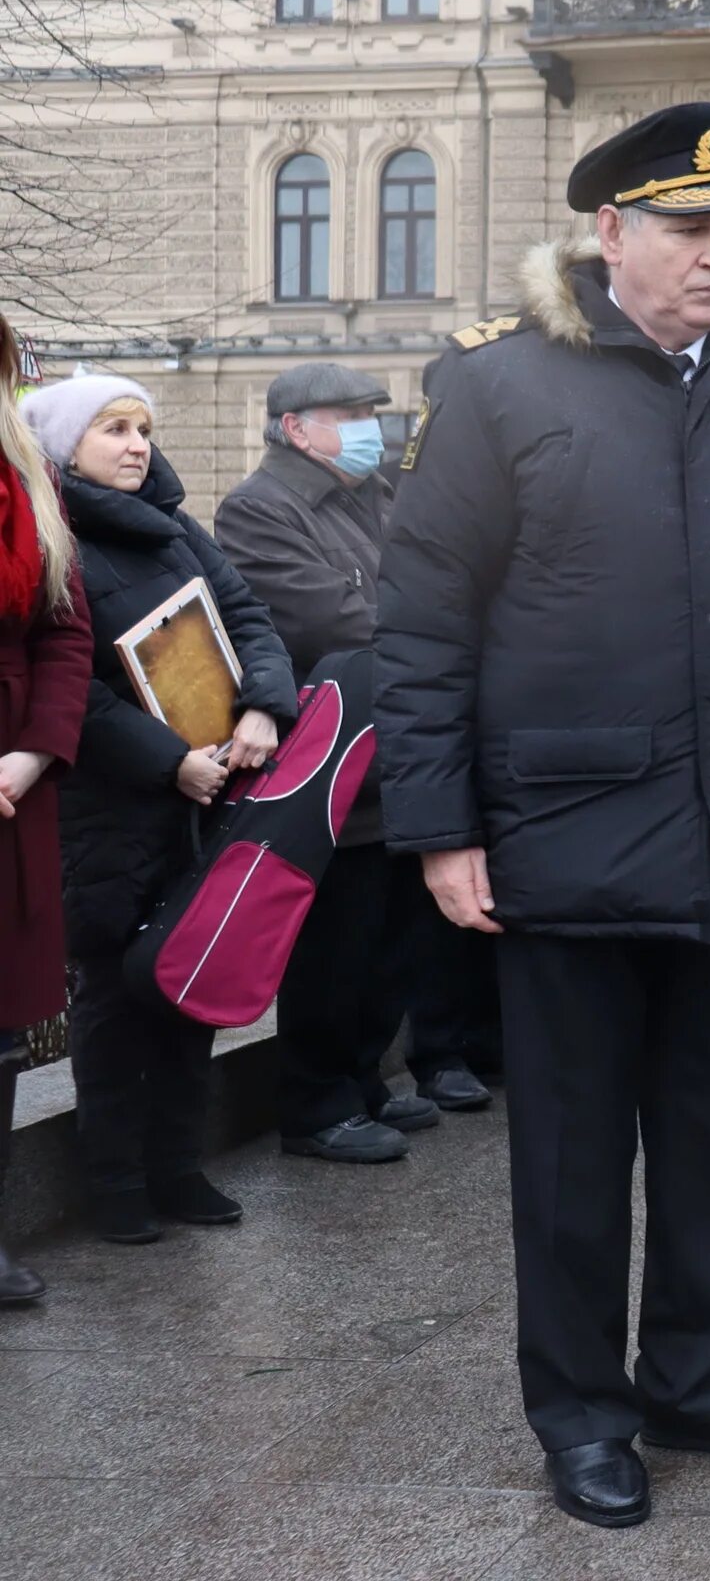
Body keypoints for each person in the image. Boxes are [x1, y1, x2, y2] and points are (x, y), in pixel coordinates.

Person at [375, 103, 710, 1530]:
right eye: (691, 231)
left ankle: (694, 1378)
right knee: (570, 1150)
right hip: (562, 828)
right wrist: (437, 824)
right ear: (611, 236)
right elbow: (421, 621)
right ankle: (582, 1411)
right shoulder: (501, 390)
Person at [27, 375, 299, 1247]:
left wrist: (265, 706)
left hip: (208, 800)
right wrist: (167, 763)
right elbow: (70, 691)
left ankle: (180, 1170)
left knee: (191, 987)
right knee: (111, 1005)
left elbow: (252, 619)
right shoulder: (48, 541)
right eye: (114, 429)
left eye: (144, 428)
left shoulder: (179, 529)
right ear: (67, 448)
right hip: (108, 813)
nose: (137, 444)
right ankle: (113, 1185)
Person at [215, 360, 443, 1163]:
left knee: (390, 944)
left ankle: (362, 1082)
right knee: (334, 949)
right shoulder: (258, 508)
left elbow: (427, 586)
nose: (366, 427)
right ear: (295, 428)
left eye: (370, 412)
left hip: (398, 750)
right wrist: (426, 624)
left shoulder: (372, 494)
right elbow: (336, 618)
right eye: (346, 413)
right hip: (335, 760)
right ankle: (315, 1105)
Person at [0, 314, 90, 1306]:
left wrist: (32, 752)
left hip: (12, 777)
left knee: (1, 1027)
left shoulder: (29, 476)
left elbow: (67, 628)